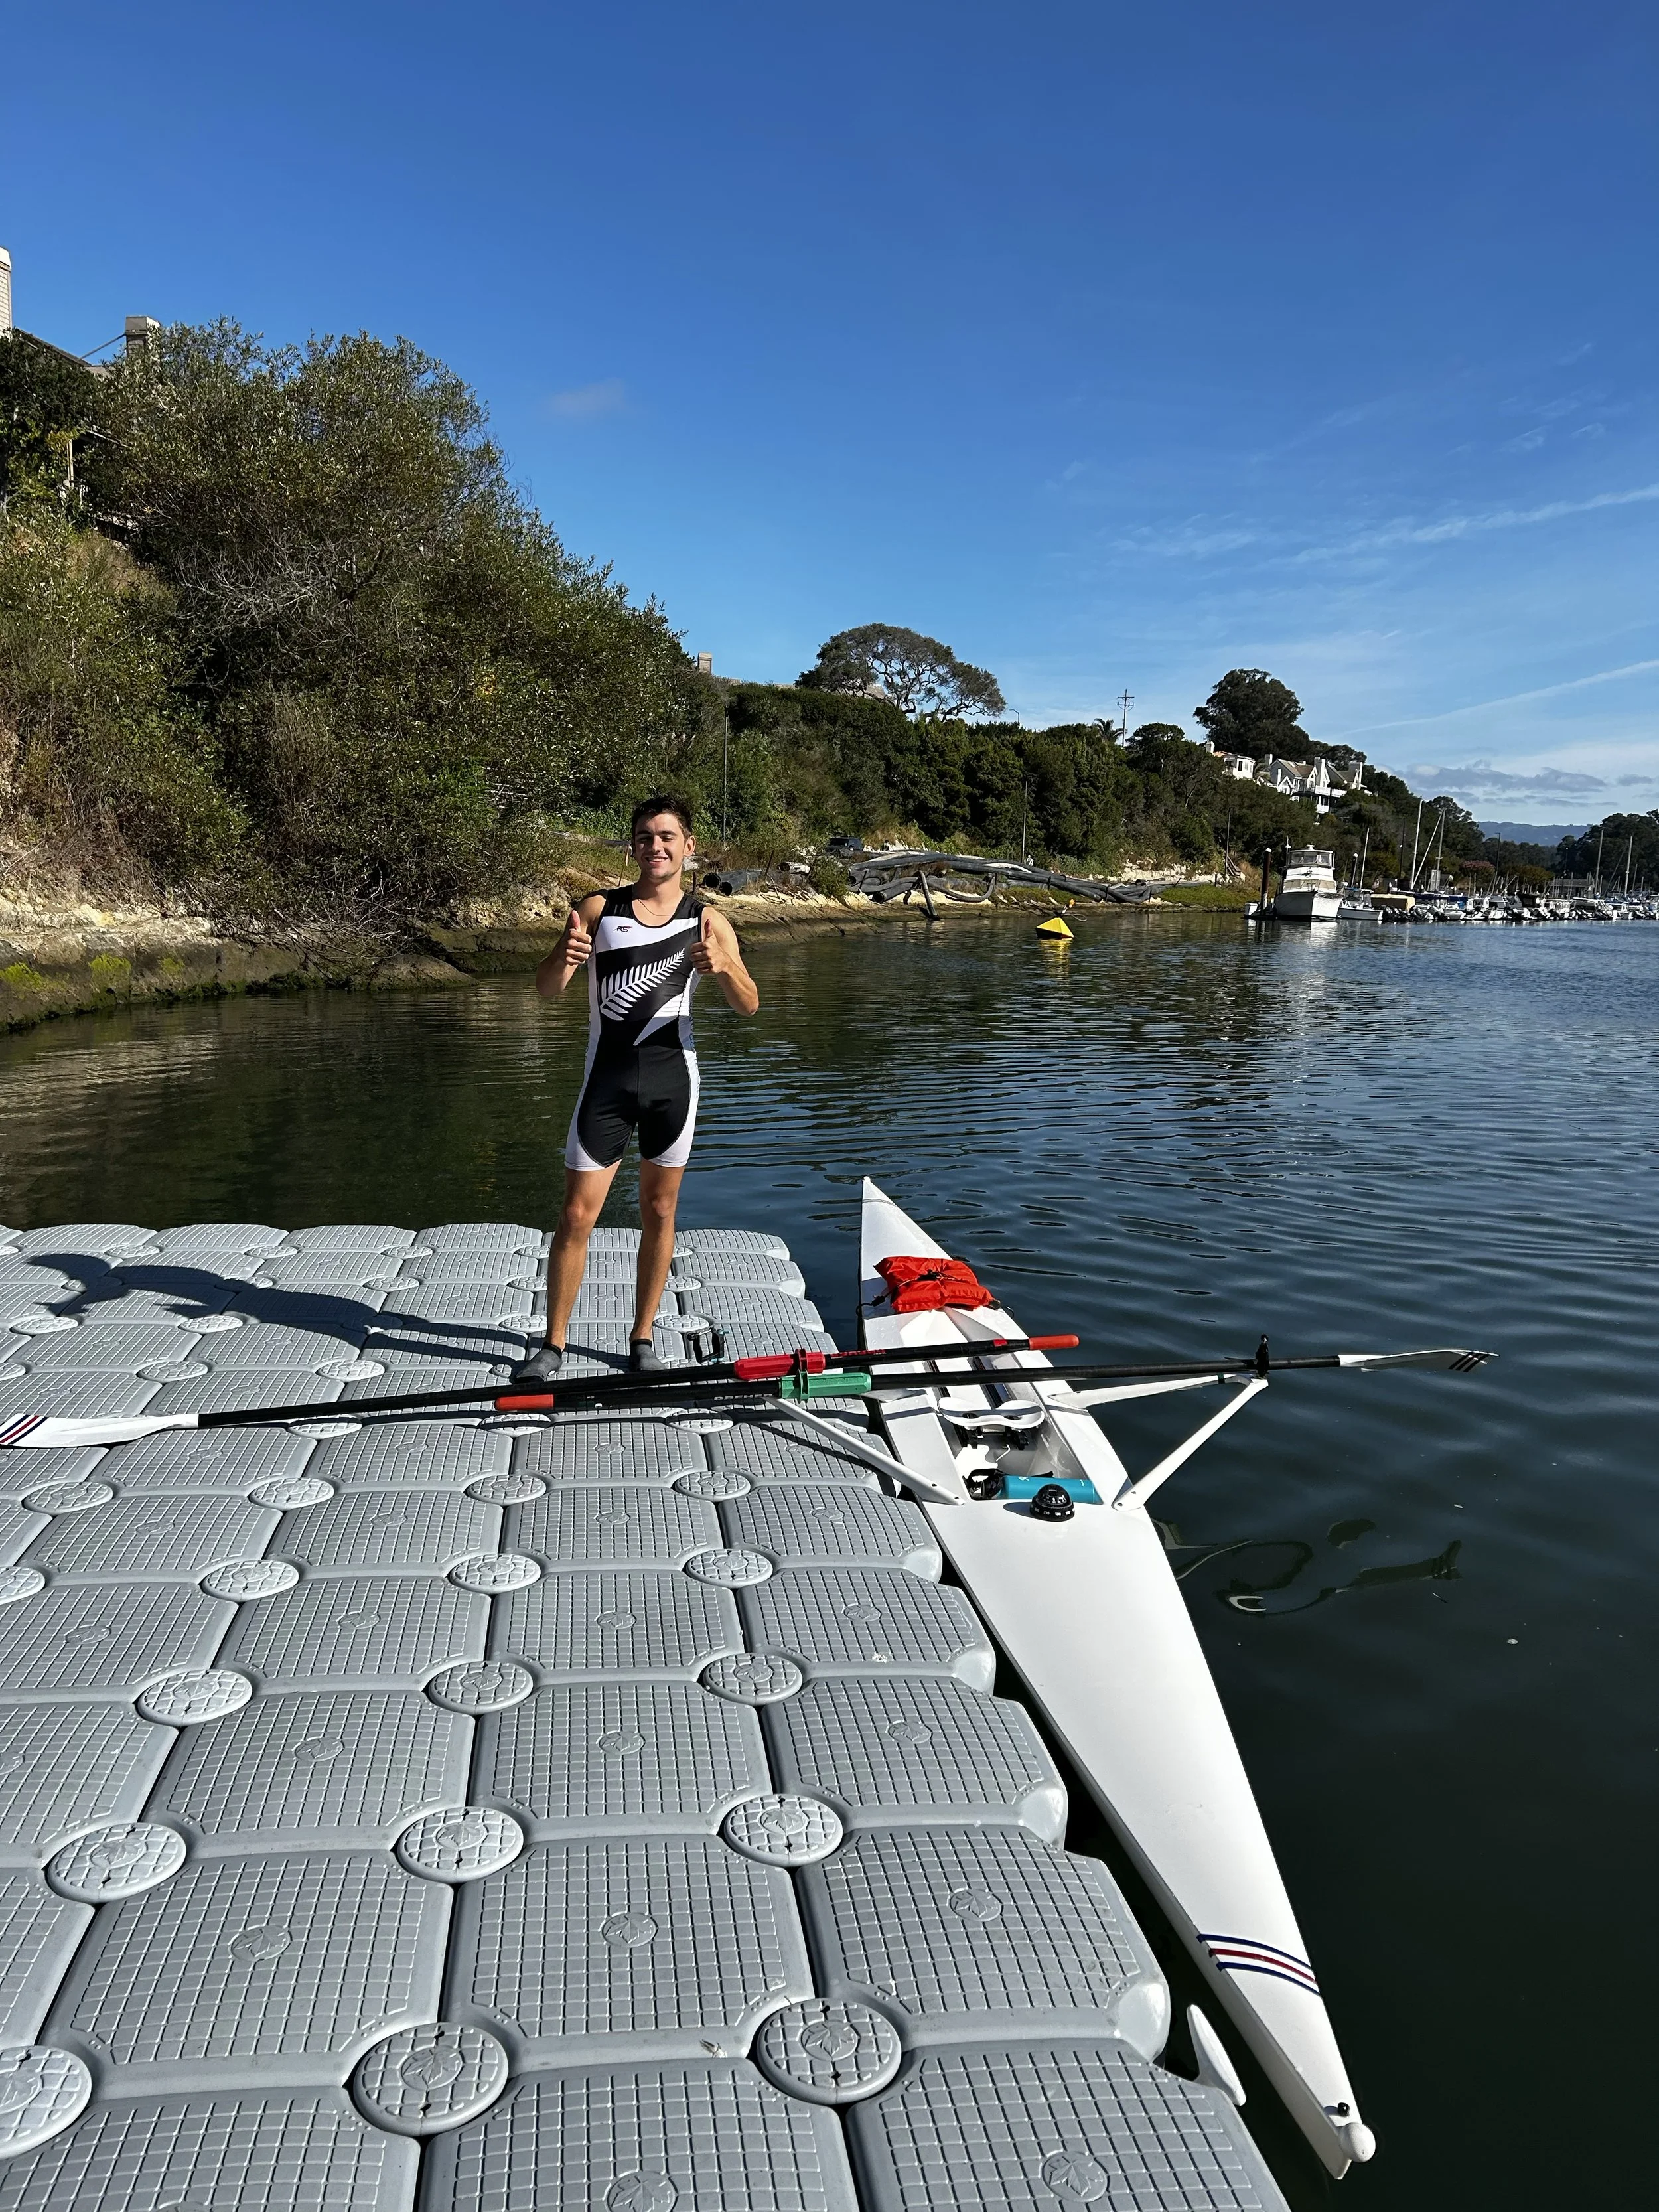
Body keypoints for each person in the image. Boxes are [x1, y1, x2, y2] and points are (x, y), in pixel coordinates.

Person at [514, 795, 758, 1383]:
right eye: (646, 837)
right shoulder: (599, 908)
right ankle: (553, 1344)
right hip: (608, 1079)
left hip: (675, 1082)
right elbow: (548, 989)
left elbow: (749, 1004)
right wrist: (562, 953)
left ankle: (642, 1337)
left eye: (667, 836)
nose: (656, 846)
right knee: (576, 1213)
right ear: (633, 846)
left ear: (689, 846)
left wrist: (723, 966)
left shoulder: (707, 919)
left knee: (659, 1208)